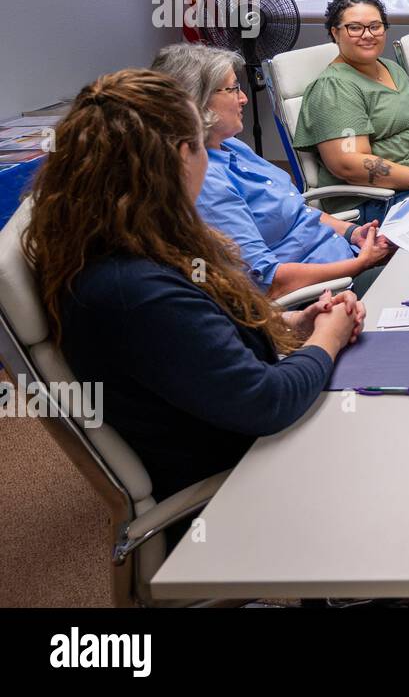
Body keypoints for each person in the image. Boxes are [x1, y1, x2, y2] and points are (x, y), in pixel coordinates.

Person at [22, 70, 364, 506]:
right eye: (202, 145)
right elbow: (267, 401)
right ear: (182, 158)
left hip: (251, 440)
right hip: (241, 480)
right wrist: (327, 339)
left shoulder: (133, 240)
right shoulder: (136, 290)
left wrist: (296, 323)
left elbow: (207, 340)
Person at [152, 44, 393, 299]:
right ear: (197, 101)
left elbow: (294, 209)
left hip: (343, 258)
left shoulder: (230, 145)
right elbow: (270, 282)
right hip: (324, 293)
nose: (244, 98)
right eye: (233, 89)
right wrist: (361, 264)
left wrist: (352, 233)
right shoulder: (205, 183)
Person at [293, 0, 409, 223]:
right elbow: (350, 164)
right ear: (335, 33)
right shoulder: (335, 88)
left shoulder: (389, 67)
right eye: (354, 28)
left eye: (375, 26)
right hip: (383, 200)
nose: (368, 34)